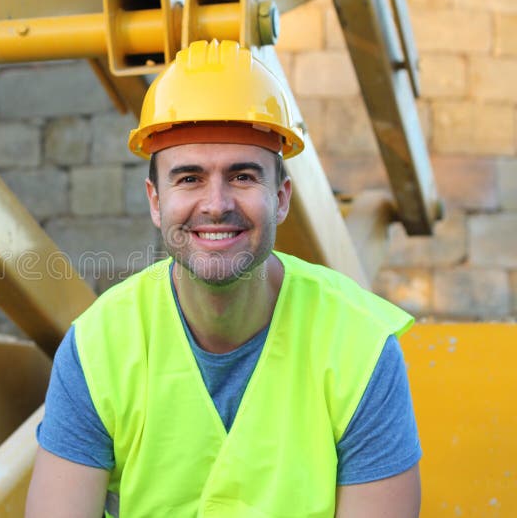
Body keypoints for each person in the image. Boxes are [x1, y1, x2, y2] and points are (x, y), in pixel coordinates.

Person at [26, 39, 421, 517]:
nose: (216, 204)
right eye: (189, 178)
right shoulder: (99, 348)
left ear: (281, 198)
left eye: (243, 177)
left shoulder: (359, 347)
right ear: (156, 201)